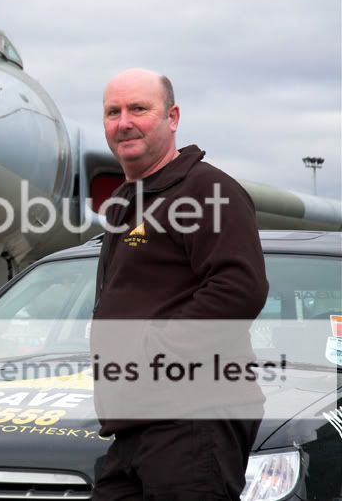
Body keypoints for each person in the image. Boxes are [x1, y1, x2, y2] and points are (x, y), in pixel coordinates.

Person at [90, 68, 268, 500]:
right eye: (113, 112)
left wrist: (153, 349)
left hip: (192, 419)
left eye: (138, 109)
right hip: (134, 425)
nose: (124, 122)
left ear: (172, 117)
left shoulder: (206, 189)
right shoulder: (128, 201)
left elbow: (239, 287)